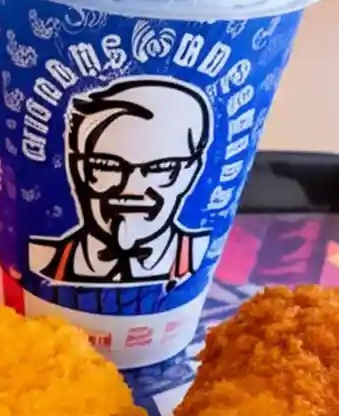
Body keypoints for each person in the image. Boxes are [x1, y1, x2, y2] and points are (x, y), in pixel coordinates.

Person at [30, 77, 214, 290]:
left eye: (160, 168)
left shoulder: (201, 255)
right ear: (77, 168)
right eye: (106, 165)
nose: (131, 189)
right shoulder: (41, 261)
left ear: (190, 172)